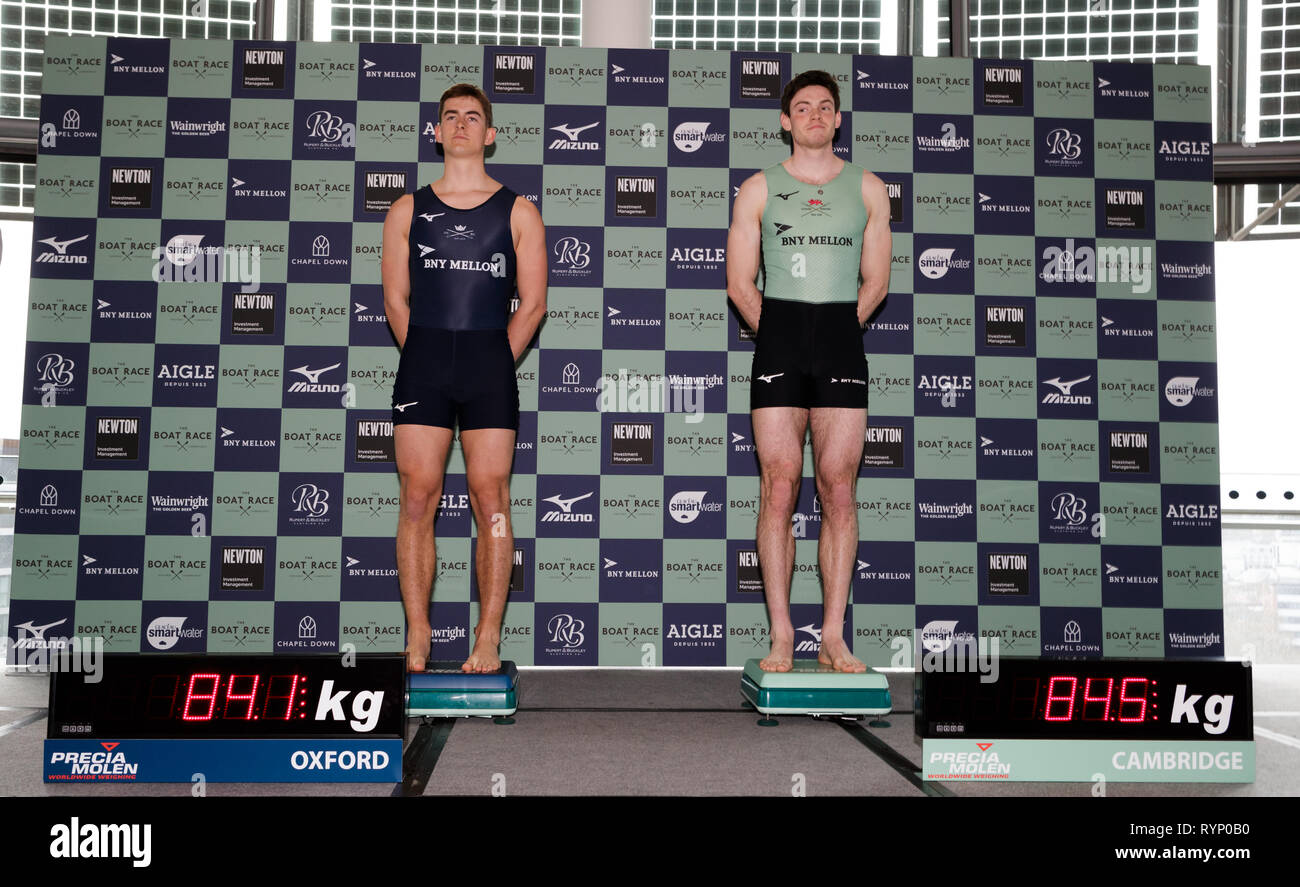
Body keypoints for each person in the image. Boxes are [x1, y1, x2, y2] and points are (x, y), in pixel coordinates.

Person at [726, 70, 892, 673]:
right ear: (785, 120)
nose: (815, 115)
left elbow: (876, 281)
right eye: (803, 107)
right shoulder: (758, 190)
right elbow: (740, 283)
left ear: (838, 119)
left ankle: (832, 636)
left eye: (826, 107)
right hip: (781, 339)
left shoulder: (869, 188)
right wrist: (777, 330)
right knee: (777, 485)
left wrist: (841, 327)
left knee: (840, 488)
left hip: (840, 342)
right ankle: (780, 635)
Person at [381, 84, 547, 673]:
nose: (460, 125)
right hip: (424, 362)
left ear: (490, 133)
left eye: (473, 117)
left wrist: (490, 360)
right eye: (450, 117)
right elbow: (395, 300)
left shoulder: (519, 210)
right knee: (418, 498)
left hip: (488, 367)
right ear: (436, 131)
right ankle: (419, 636)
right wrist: (428, 353)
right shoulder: (406, 209)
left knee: (491, 499)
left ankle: (487, 637)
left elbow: (532, 304)